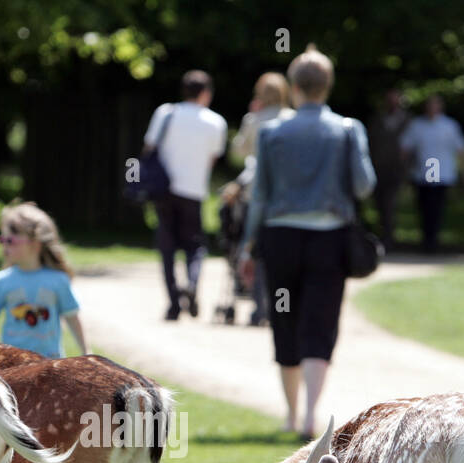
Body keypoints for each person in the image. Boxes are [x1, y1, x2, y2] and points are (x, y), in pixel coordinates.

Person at [238, 44, 376, 439]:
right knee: (320, 323)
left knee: (285, 319)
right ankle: (312, 415)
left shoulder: (272, 132)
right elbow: (365, 186)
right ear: (327, 85)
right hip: (330, 240)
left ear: (294, 86)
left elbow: (259, 195)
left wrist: (248, 247)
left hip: (280, 237)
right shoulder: (348, 129)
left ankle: (290, 413)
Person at [142, 70, 228, 321]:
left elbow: (149, 147)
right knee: (195, 245)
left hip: (164, 189)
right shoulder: (216, 122)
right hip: (194, 191)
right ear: (205, 93)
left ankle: (172, 304)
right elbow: (213, 159)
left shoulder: (166, 112)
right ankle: (191, 283)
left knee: (166, 247)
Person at [0, 201, 87, 358]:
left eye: (10, 241)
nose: (5, 245)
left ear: (35, 244)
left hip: (50, 363)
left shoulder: (58, 280)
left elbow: (72, 317)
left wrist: (86, 351)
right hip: (13, 364)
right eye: (2, 240)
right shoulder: (1, 281)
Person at [225, 73, 295, 326]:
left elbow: (237, 153)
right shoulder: (292, 119)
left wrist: (250, 118)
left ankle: (259, 307)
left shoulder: (254, 120)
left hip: (256, 193)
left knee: (254, 248)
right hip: (286, 195)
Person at [399, 94, 464, 253]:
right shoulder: (417, 125)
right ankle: (427, 241)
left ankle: (433, 241)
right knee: (424, 209)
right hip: (422, 174)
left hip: (442, 174)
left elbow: (461, 149)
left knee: (436, 209)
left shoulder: (449, 125)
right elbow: (405, 148)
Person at [366, 88, 411, 250]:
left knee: (390, 204)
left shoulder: (409, 121)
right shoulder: (378, 120)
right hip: (378, 169)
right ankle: (383, 237)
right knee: (379, 204)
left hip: (398, 170)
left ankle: (389, 238)